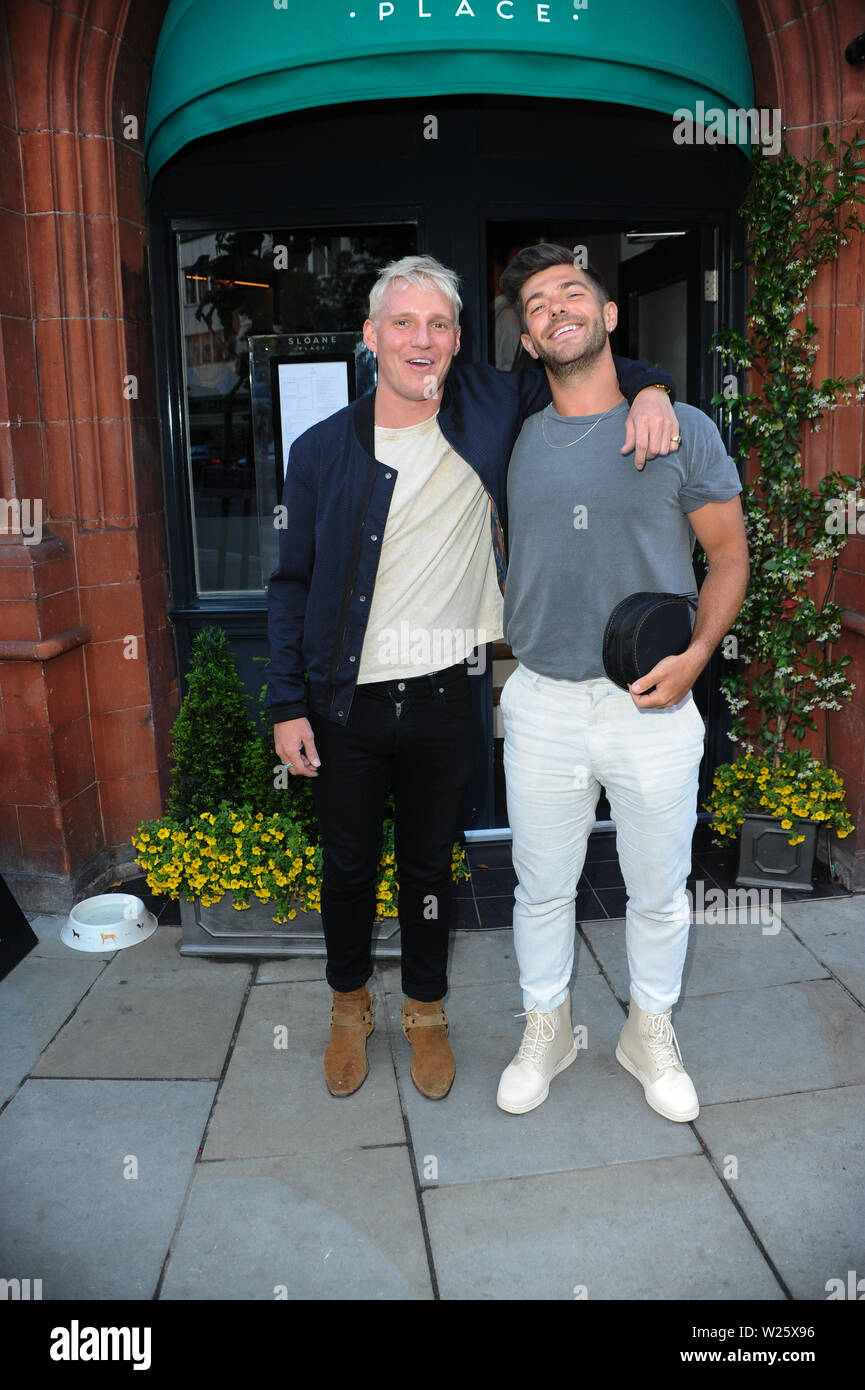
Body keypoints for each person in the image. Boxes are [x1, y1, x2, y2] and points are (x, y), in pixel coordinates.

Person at [266, 255, 680, 1102]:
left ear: (459, 340)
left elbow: (584, 358)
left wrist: (654, 388)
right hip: (345, 702)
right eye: (405, 323)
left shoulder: (493, 405)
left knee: (428, 867)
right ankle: (349, 1005)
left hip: (447, 697)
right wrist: (286, 701)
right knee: (346, 867)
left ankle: (425, 1012)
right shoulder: (318, 451)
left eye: (440, 325)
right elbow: (291, 583)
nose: (422, 340)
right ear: (372, 336)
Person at [495, 243, 749, 1121]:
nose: (555, 307)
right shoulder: (509, 430)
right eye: (535, 304)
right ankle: (549, 1026)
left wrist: (697, 656)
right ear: (527, 342)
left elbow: (726, 556)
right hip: (541, 702)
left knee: (657, 889)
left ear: (608, 316)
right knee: (541, 888)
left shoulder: (679, 427)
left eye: (572, 292)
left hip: (655, 700)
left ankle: (649, 1029)